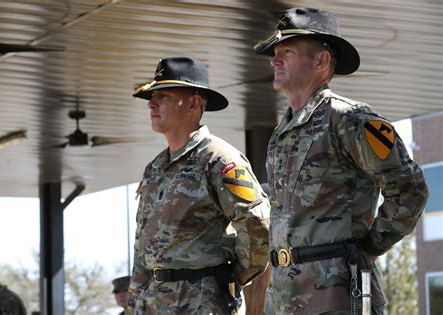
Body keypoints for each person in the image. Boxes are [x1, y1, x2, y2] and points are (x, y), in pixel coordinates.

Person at [254, 7, 429, 314]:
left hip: (336, 293)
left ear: (321, 61)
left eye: (288, 52)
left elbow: (409, 190)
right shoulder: (281, 133)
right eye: (275, 53)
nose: (275, 60)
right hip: (284, 296)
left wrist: (363, 251)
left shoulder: (350, 119)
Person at [127, 56, 270, 314]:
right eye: (152, 97)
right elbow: (142, 244)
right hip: (155, 302)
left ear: (193, 103)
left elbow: (257, 226)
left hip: (202, 302)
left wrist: (227, 276)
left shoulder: (219, 159)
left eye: (164, 96)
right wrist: (135, 302)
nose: (152, 104)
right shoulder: (155, 168)